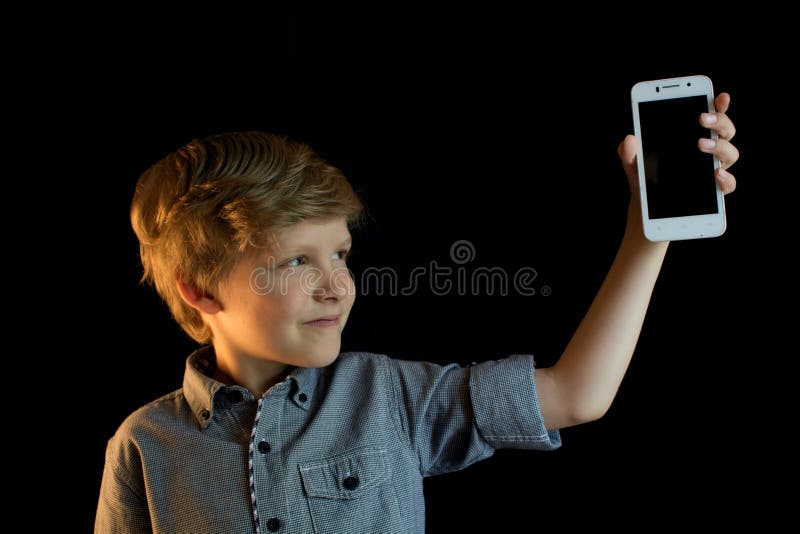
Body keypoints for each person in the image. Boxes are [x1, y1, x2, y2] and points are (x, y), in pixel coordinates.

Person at [95, 94, 739, 533]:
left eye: (341, 254)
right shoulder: (143, 449)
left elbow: (577, 393)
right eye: (296, 263)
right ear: (201, 292)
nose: (338, 286)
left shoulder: (391, 397)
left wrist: (647, 235)